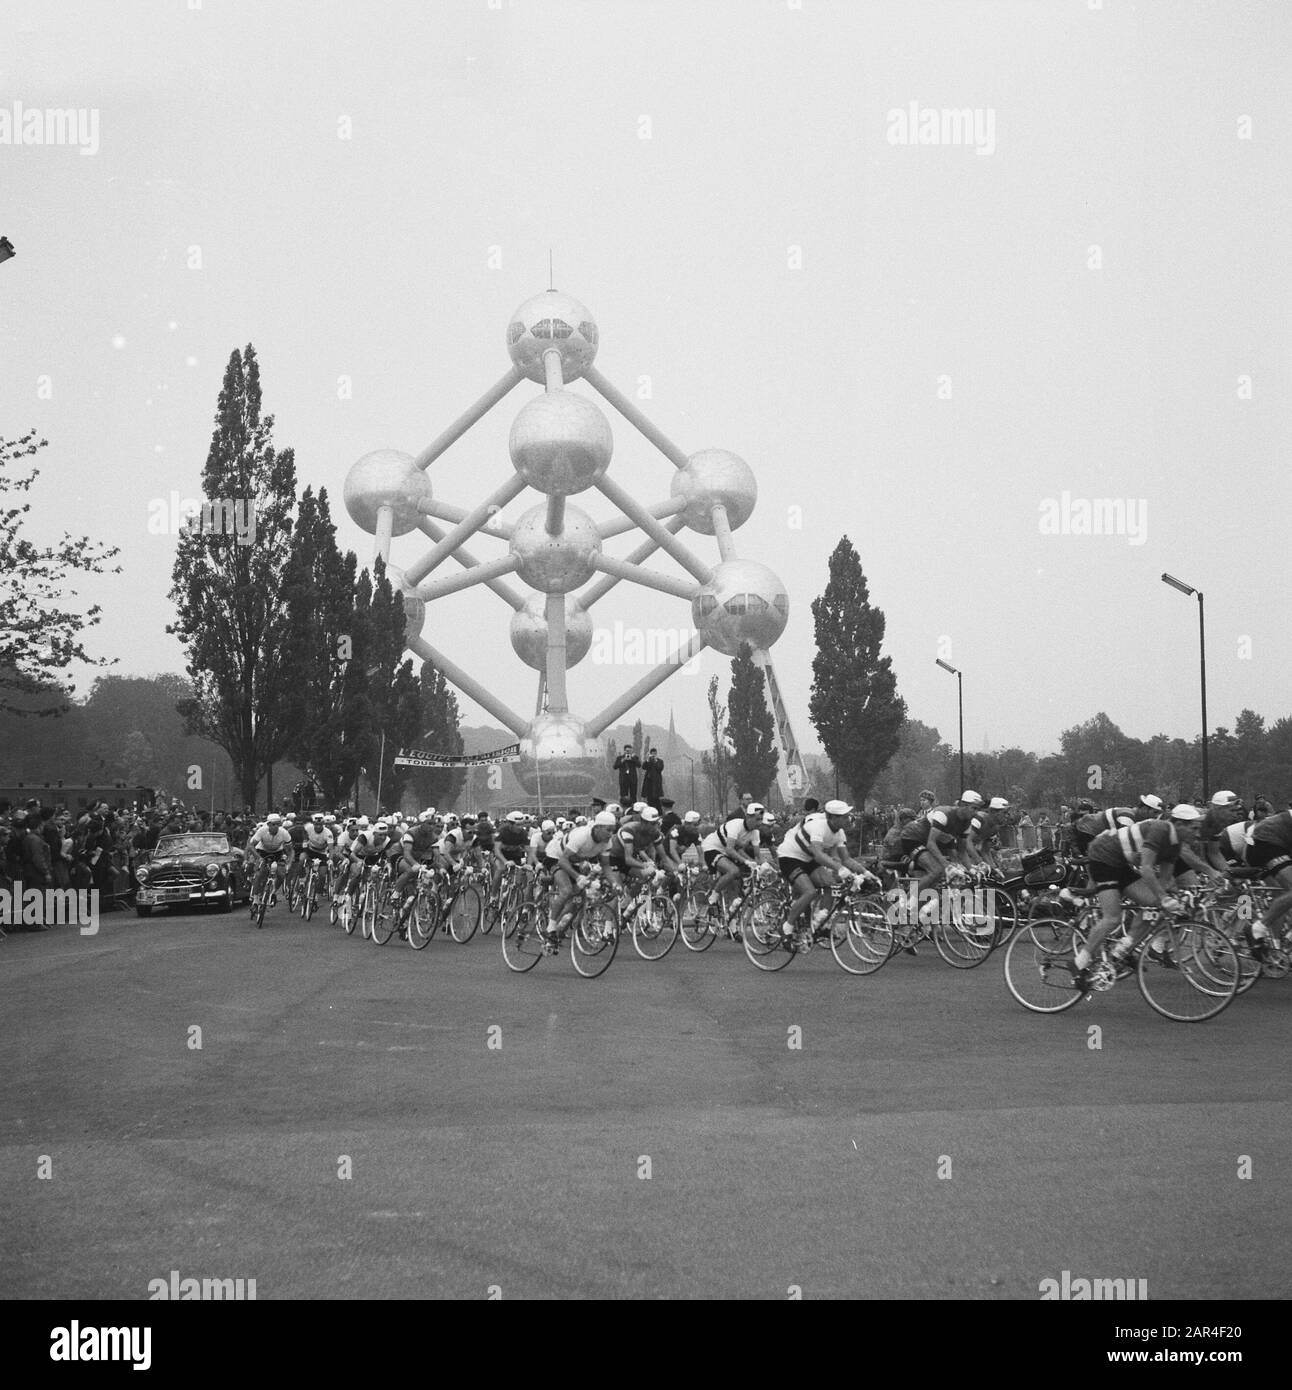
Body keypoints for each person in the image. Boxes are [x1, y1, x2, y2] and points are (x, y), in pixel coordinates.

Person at [1072, 804, 1214, 990]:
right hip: (1102, 855)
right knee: (1112, 917)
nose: (1197, 834)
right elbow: (1146, 868)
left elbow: (1164, 881)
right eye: (1193, 828)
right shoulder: (1160, 829)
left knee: (1154, 904)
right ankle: (1079, 964)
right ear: (1179, 824)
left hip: (1120, 862)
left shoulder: (1175, 843)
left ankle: (1122, 950)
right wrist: (1165, 898)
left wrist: (1169, 898)